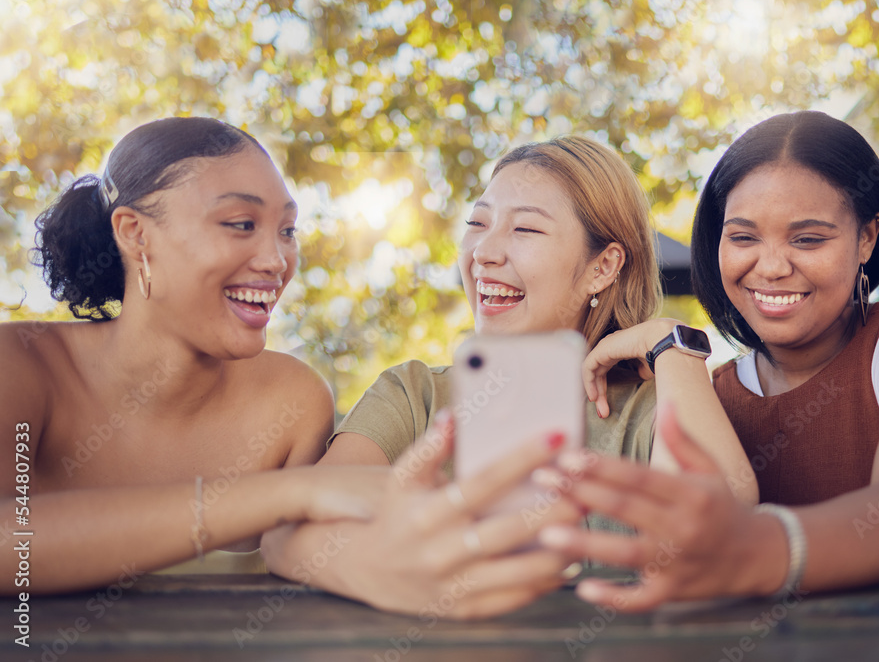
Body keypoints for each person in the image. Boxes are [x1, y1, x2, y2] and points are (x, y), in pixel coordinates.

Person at [262, 136, 757, 616]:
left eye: (525, 230)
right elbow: (289, 532)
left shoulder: (654, 406)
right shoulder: (413, 395)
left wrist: (673, 346)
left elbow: (726, 524)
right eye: (477, 223)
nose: (484, 253)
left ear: (602, 267)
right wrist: (389, 569)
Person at [534, 111, 879, 610]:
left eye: (808, 239)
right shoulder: (713, 397)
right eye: (743, 238)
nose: (772, 267)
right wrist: (671, 343)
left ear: (867, 237)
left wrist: (756, 549)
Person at [0, 117, 386, 592]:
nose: (276, 261)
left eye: (287, 230)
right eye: (242, 224)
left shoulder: (294, 402)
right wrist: (280, 495)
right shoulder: (19, 366)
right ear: (135, 234)